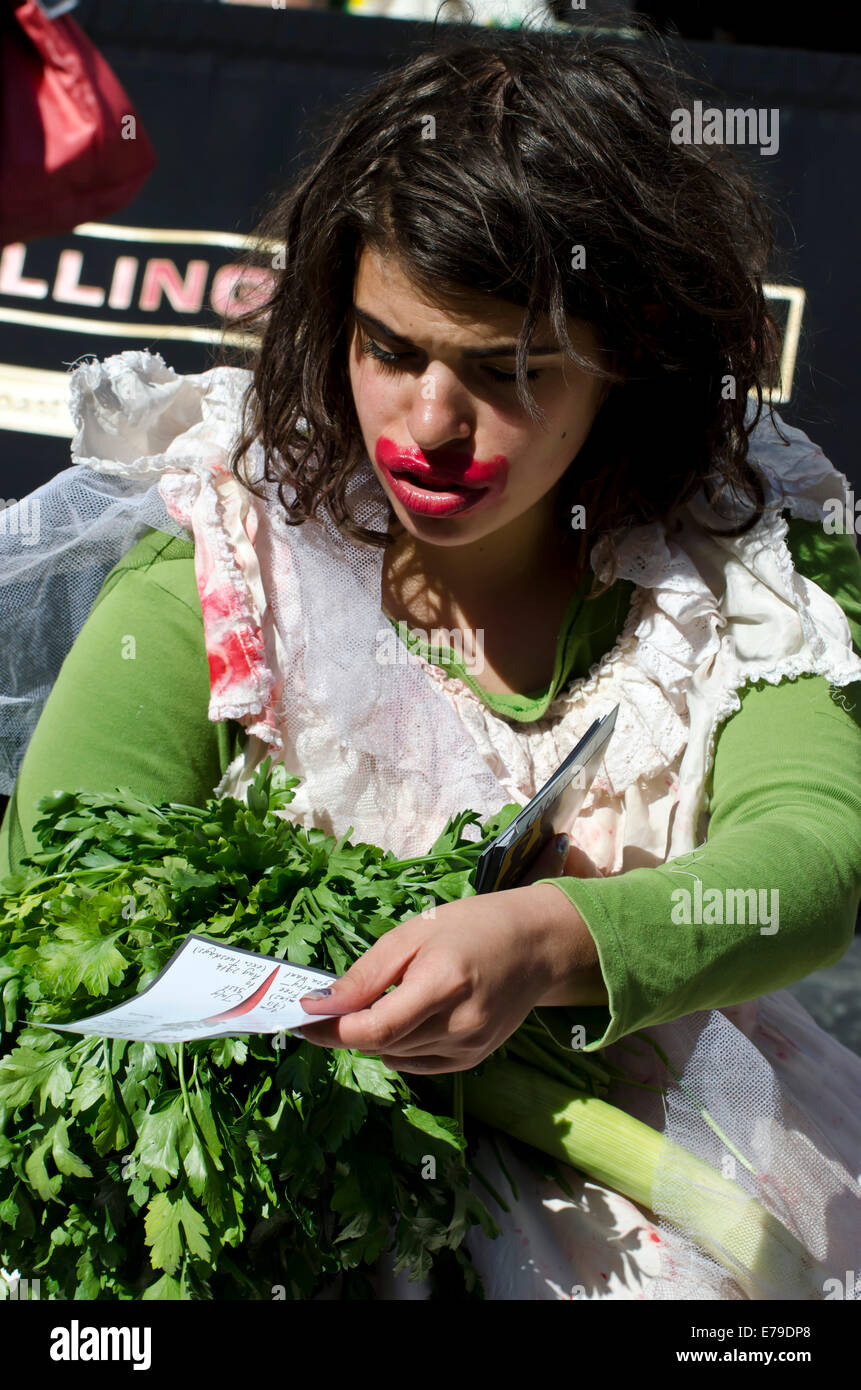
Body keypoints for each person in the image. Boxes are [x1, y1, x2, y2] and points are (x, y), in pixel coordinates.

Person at [1, 27, 860, 1299]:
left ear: (629, 358)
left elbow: (815, 848)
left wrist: (552, 936)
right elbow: (62, 892)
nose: (430, 426)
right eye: (389, 350)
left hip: (666, 1203)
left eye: (508, 369)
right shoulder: (234, 562)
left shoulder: (731, 572)